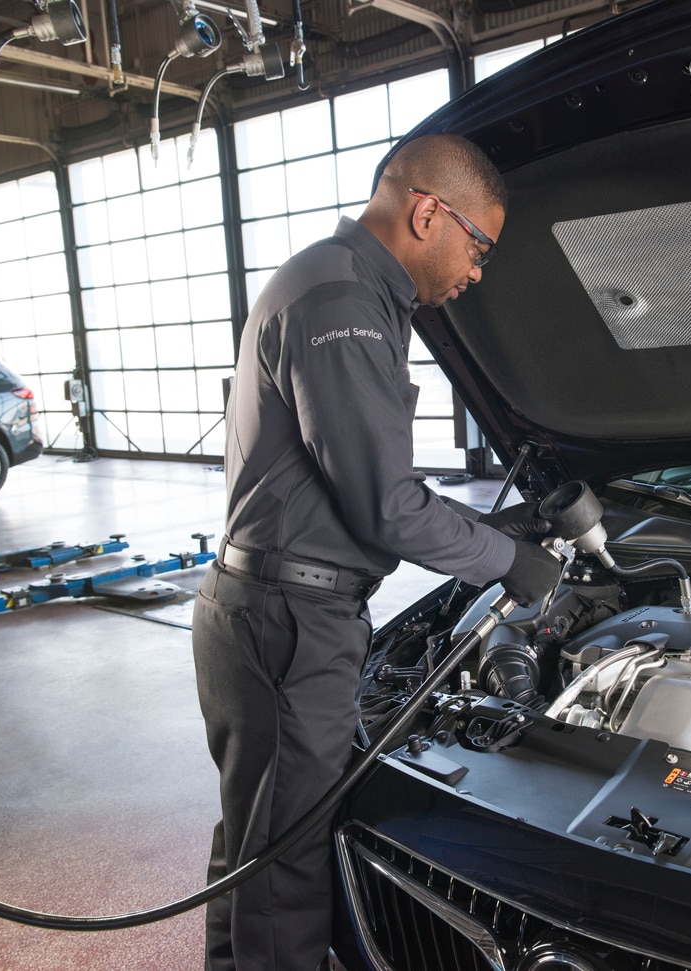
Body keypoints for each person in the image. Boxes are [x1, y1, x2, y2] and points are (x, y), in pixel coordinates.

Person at [191, 132, 563, 971]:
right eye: (480, 246)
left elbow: (363, 485)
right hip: (291, 623)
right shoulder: (344, 302)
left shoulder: (335, 282)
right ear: (428, 213)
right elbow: (385, 506)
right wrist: (507, 562)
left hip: (262, 607)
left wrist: (497, 533)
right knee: (284, 868)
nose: (478, 272)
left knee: (253, 844)